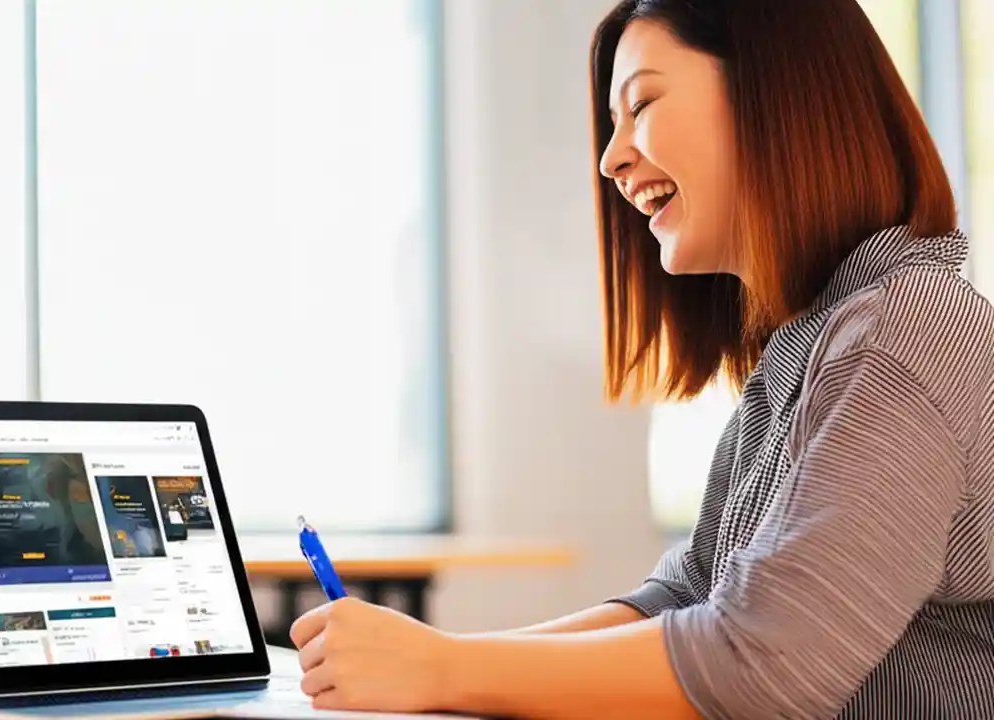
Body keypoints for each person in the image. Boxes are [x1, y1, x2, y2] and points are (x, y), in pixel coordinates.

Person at [288, 1, 994, 717]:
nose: (610, 157)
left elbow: (760, 661)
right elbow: (686, 596)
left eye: (642, 103)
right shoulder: (810, 348)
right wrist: (431, 665)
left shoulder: (907, 331)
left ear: (773, 93)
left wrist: (443, 668)